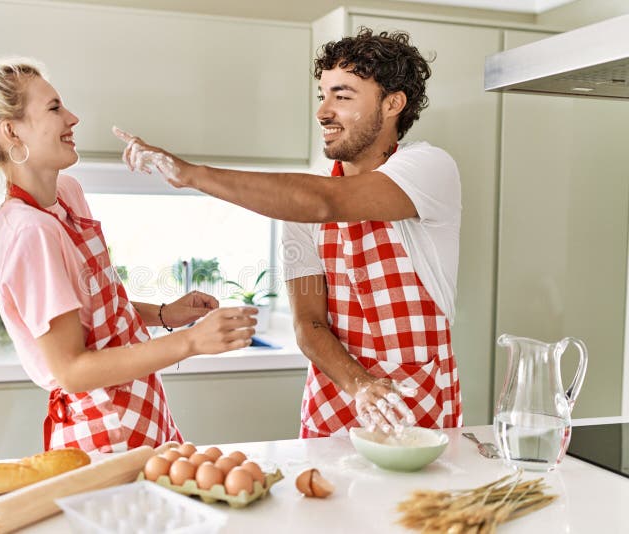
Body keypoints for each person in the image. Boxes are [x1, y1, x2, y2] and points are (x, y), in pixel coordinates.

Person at [113, 27, 463, 437]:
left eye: (343, 96)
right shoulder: (300, 202)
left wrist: (191, 174)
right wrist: (360, 385)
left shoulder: (430, 169)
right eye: (322, 95)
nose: (323, 111)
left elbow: (326, 201)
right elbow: (309, 325)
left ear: (393, 104)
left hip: (415, 407)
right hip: (334, 407)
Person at [0, 57, 257, 453]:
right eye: (55, 108)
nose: (72, 118)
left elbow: (93, 309)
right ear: (11, 132)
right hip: (100, 429)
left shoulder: (67, 196)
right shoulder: (29, 233)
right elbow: (71, 369)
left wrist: (163, 314)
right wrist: (191, 342)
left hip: (142, 405)